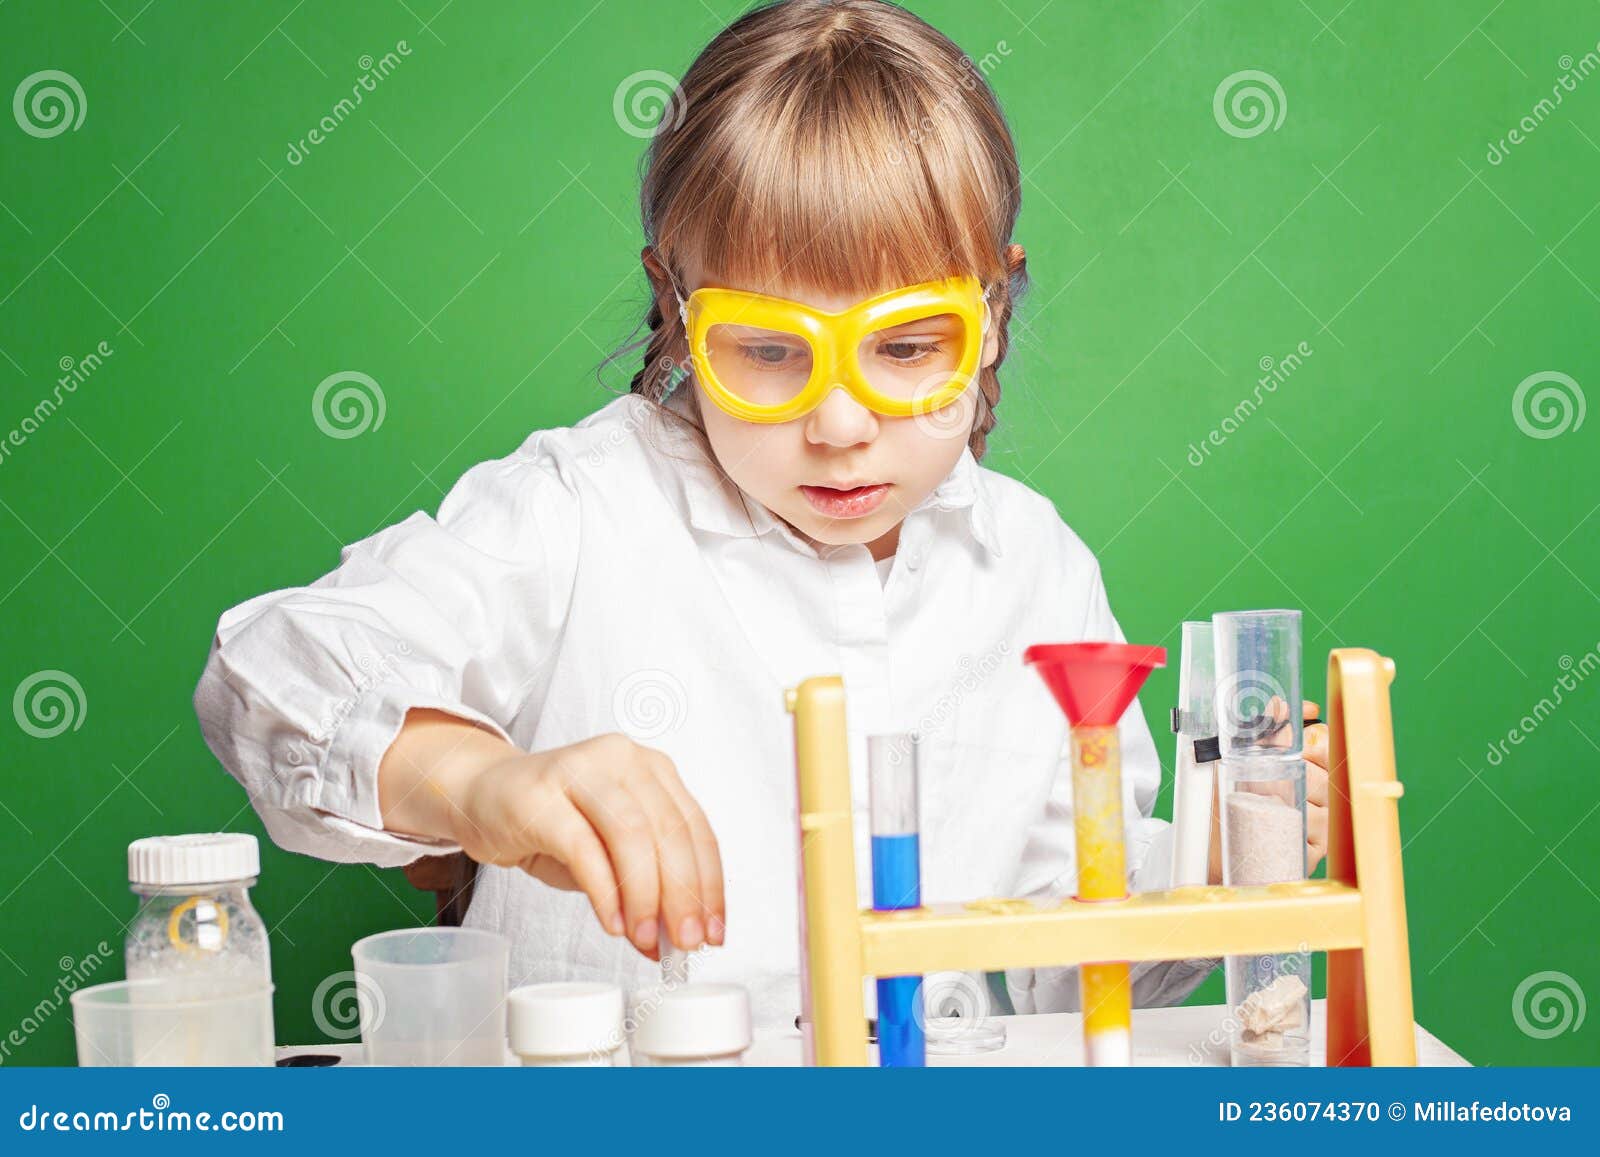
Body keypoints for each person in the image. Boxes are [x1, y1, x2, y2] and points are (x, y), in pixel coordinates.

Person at [196, 0, 1331, 1028]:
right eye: (769, 351)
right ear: (676, 307)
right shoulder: (580, 507)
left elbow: (1074, 967)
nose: (839, 422)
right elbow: (271, 673)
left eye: (905, 344)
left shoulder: (1037, 568)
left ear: (991, 309)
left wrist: (1227, 852)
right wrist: (481, 783)